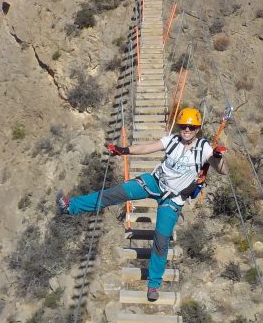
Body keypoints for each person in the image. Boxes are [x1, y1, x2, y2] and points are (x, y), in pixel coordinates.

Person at [57, 107, 227, 301]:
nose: (187, 130)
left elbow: (222, 170)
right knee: (115, 193)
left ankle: (153, 284)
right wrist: (124, 151)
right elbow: (149, 147)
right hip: (154, 182)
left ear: (197, 129)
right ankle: (71, 206)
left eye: (191, 127)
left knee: (161, 241)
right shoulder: (172, 141)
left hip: (173, 198)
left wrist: (219, 158)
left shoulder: (204, 148)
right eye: (183, 126)